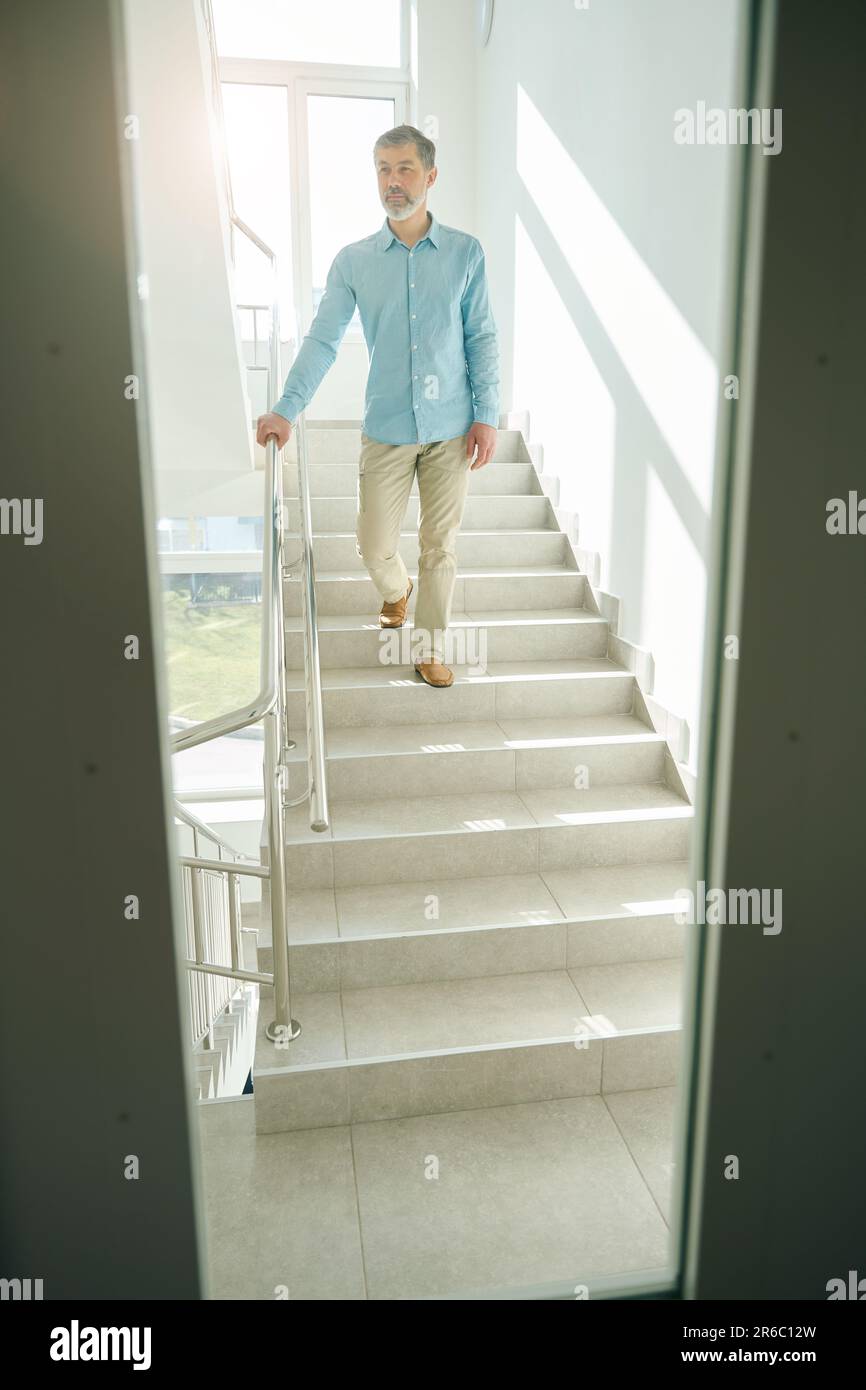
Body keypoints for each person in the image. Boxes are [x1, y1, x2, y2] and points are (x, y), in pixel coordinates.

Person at [256, 123, 500, 688]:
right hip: (387, 428)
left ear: (430, 176)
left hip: (451, 429)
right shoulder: (354, 261)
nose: (394, 181)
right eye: (384, 169)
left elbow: (481, 336)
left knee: (440, 546)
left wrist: (488, 414)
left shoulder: (466, 253)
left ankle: (429, 646)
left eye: (405, 168)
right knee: (373, 544)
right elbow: (321, 340)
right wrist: (286, 409)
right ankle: (397, 593)